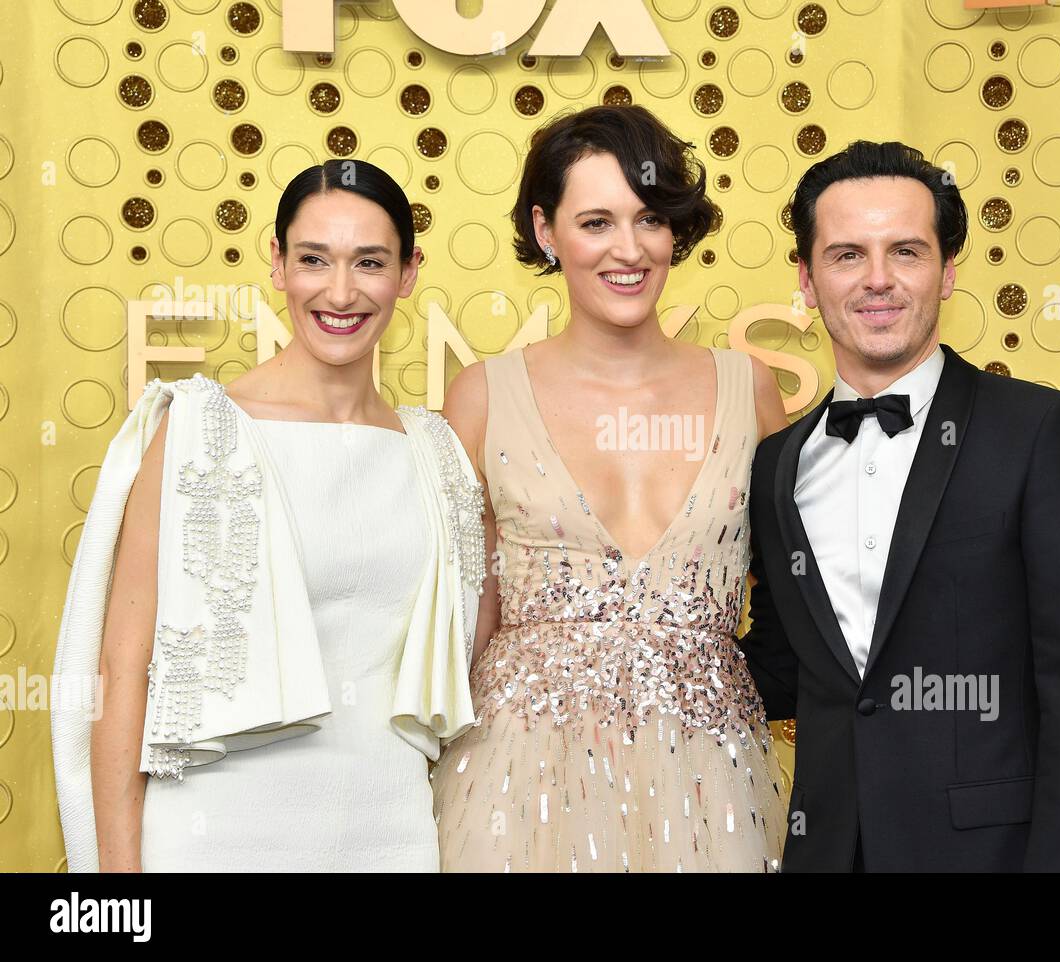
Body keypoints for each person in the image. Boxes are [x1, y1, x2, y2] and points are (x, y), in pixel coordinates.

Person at [50, 159, 485, 872]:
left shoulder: (435, 454)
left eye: (370, 263)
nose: (340, 292)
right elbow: (121, 667)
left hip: (394, 836)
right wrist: (121, 884)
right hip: (215, 839)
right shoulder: (196, 429)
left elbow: (467, 668)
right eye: (314, 259)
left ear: (408, 273)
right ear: (278, 264)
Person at [741, 140, 1060, 872]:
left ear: (948, 270)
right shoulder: (776, 466)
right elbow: (783, 668)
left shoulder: (1044, 433)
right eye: (847, 255)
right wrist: (622, 658)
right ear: (805, 276)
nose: (879, 280)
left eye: (907, 251)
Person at [429, 105, 789, 872]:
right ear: (545, 231)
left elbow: (795, 605)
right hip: (515, 781)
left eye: (650, 219)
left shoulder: (748, 389)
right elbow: (467, 610)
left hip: (713, 779)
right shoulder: (482, 396)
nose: (628, 250)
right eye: (596, 222)